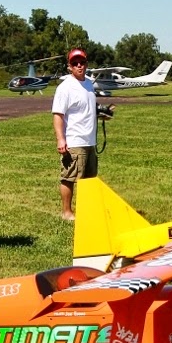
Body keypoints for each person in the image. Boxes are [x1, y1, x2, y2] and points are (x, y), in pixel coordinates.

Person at [52, 48, 100, 221]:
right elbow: (58, 114)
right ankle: (66, 212)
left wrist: (103, 114)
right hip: (74, 140)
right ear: (69, 66)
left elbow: (89, 109)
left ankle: (86, 210)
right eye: (75, 63)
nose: (79, 66)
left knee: (89, 179)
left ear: (87, 64)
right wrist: (60, 139)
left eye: (82, 62)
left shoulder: (89, 84)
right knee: (69, 177)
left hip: (90, 140)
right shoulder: (65, 87)